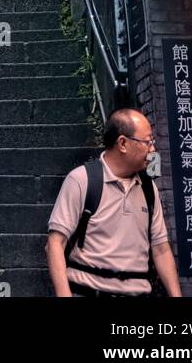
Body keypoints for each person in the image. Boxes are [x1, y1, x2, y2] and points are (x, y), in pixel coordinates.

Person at [46, 110, 181, 299]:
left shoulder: (148, 188)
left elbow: (161, 248)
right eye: (147, 142)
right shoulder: (82, 180)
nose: (152, 150)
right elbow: (55, 243)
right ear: (123, 143)